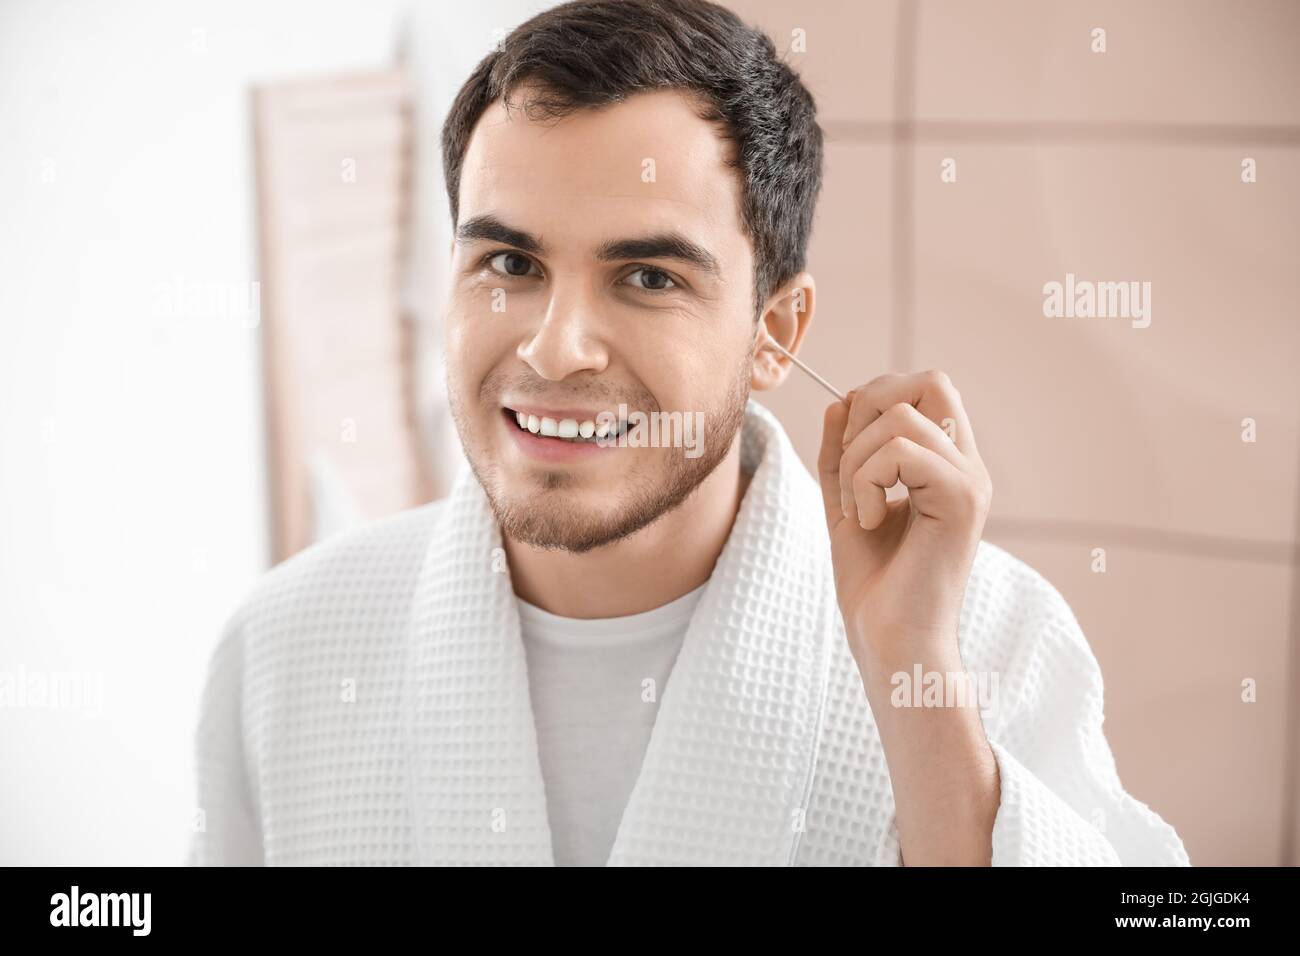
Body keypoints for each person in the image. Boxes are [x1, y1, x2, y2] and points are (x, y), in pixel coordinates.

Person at [189, 0, 1188, 866]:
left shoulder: (984, 640)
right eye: (507, 263)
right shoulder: (287, 645)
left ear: (775, 333)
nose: (555, 348)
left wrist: (914, 673)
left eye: (649, 277)